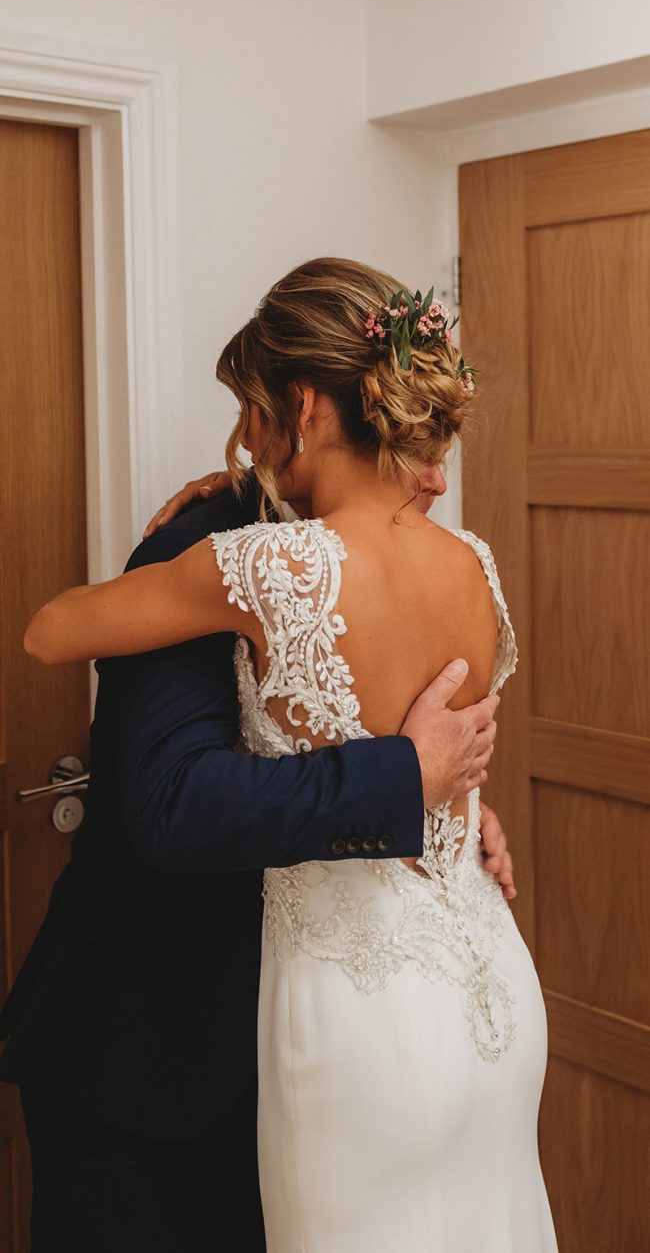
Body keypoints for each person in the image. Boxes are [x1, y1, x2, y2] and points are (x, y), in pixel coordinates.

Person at [14, 256, 549, 1252]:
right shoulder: (219, 542)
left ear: (294, 408)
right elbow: (177, 803)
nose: (434, 472)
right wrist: (408, 782)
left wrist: (452, 812)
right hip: (162, 1057)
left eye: (245, 413)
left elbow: (49, 631)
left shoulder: (275, 556)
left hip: (354, 1024)